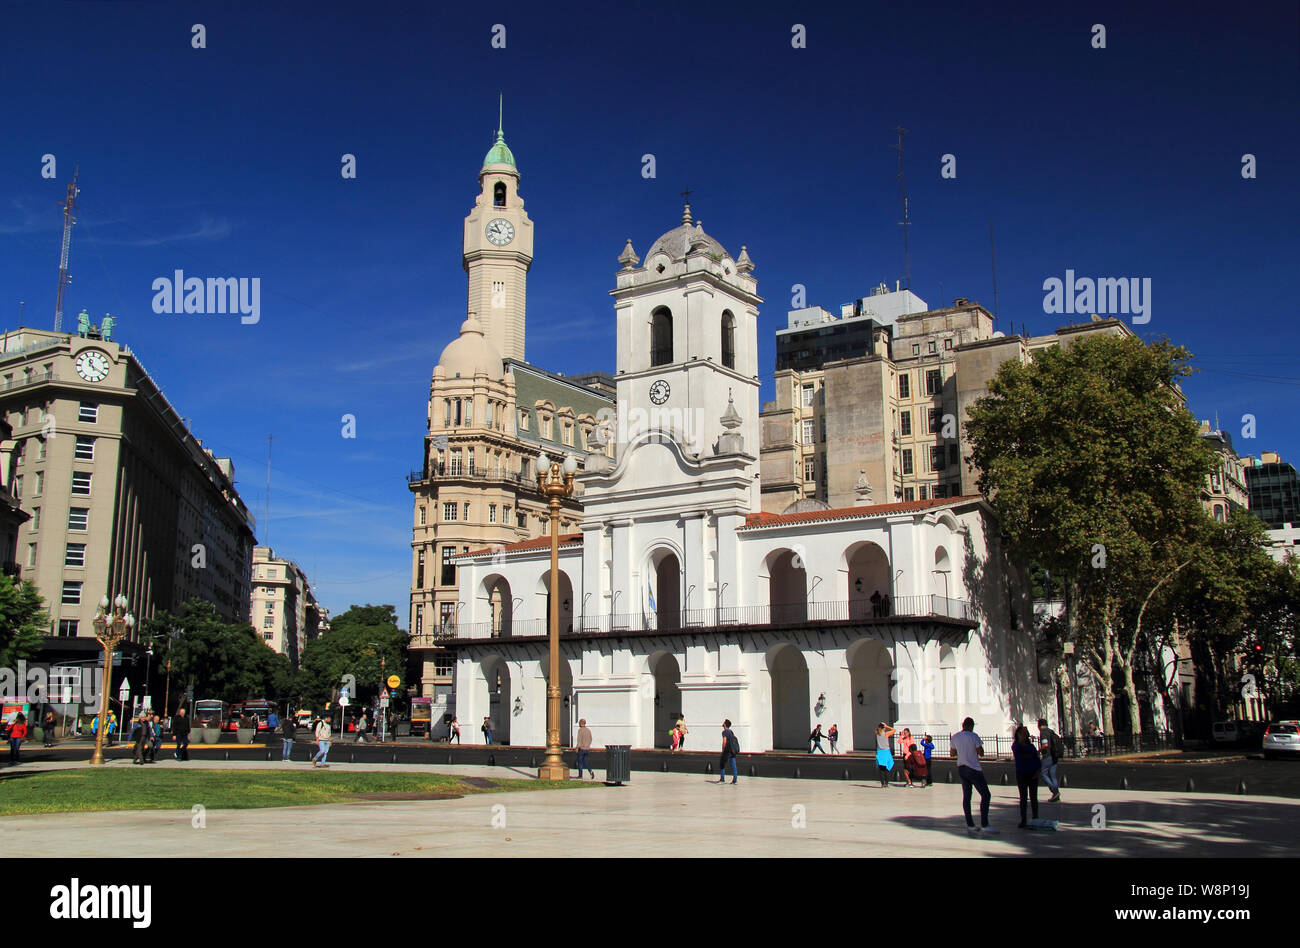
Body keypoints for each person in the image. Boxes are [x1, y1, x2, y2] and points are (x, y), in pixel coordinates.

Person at [952, 717, 997, 836]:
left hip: (961, 768)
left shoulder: (955, 737)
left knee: (967, 797)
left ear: (963, 725)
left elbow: (952, 753)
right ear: (971, 726)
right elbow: (981, 752)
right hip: (973, 768)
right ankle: (984, 824)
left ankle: (970, 824)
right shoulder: (973, 736)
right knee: (986, 795)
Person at [1012, 724, 1042, 828]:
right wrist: (1020, 739)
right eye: (1022, 734)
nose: (1024, 736)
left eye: (1025, 734)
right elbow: (1017, 750)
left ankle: (1035, 817)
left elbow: (1037, 759)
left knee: (1033, 797)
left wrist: (1038, 770)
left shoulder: (1031, 746)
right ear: (1018, 735)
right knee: (1023, 797)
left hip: (1033, 774)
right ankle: (1023, 819)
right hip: (1022, 774)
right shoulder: (1016, 745)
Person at [1037, 718, 1063, 802]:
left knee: (1043, 773)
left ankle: (1055, 792)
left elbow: (1045, 744)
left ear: (1040, 726)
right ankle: (1056, 794)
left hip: (1047, 756)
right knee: (1053, 775)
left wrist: (1039, 751)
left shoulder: (1043, 732)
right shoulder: (1051, 731)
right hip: (1055, 756)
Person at [716, 719, 739, 784]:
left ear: (725, 724)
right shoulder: (731, 731)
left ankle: (722, 779)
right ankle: (735, 780)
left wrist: (723, 750)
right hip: (732, 750)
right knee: (733, 765)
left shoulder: (724, 732)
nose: (723, 723)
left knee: (722, 764)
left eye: (724, 722)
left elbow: (724, 741)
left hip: (727, 750)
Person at [875, 723, 895, 787]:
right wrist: (887, 726)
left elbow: (876, 730)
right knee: (886, 769)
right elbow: (894, 730)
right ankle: (886, 783)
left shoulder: (877, 734)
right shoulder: (886, 734)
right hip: (886, 752)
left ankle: (882, 783)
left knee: (881, 769)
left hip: (880, 752)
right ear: (884, 728)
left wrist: (881, 725)